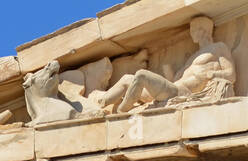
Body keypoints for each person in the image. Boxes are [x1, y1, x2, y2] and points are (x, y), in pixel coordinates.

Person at [97, 16, 235, 114]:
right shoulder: (192, 58)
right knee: (127, 78)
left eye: (194, 29)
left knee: (141, 75)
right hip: (171, 89)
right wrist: (168, 69)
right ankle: (99, 105)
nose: (191, 32)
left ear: (204, 29)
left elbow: (231, 74)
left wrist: (212, 74)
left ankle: (122, 112)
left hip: (179, 93)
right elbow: (174, 80)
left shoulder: (218, 47)